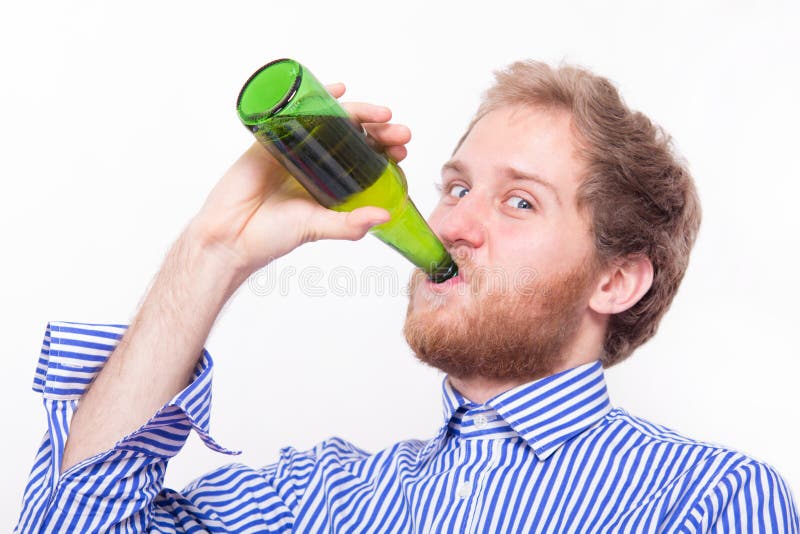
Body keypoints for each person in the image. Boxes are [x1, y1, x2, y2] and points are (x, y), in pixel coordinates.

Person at [15, 60, 798, 533]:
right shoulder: (321, 498)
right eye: (455, 186)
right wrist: (211, 250)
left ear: (617, 279)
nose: (452, 221)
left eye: (519, 201)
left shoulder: (708, 499)